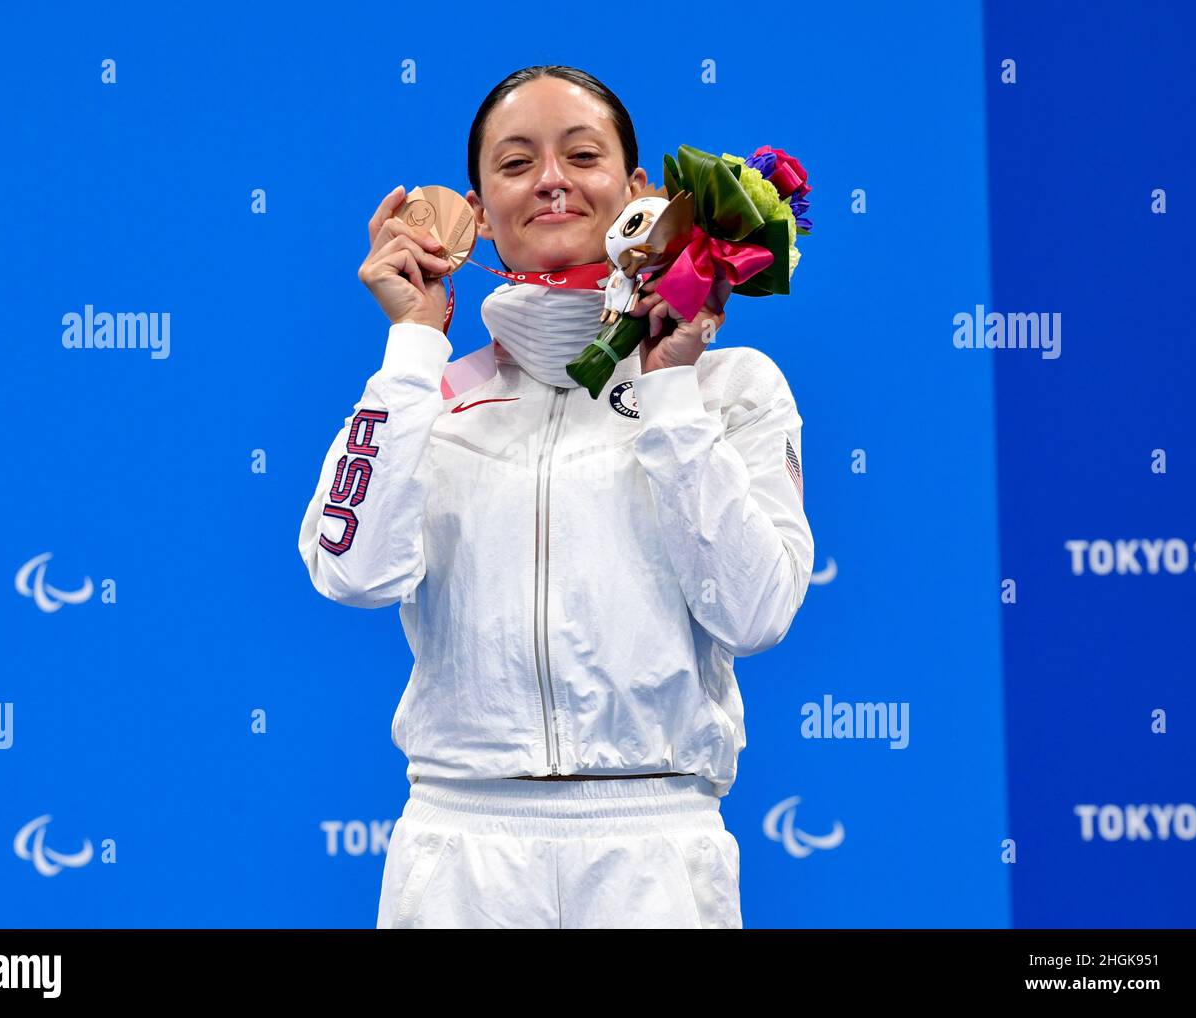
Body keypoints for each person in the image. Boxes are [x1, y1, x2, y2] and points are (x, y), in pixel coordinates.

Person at [297, 65, 815, 929]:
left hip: (653, 848)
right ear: (475, 214)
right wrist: (412, 344)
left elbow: (757, 614)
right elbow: (349, 573)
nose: (551, 179)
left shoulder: (730, 387)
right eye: (515, 163)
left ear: (637, 191)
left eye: (582, 154)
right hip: (461, 850)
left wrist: (670, 392)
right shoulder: (433, 396)